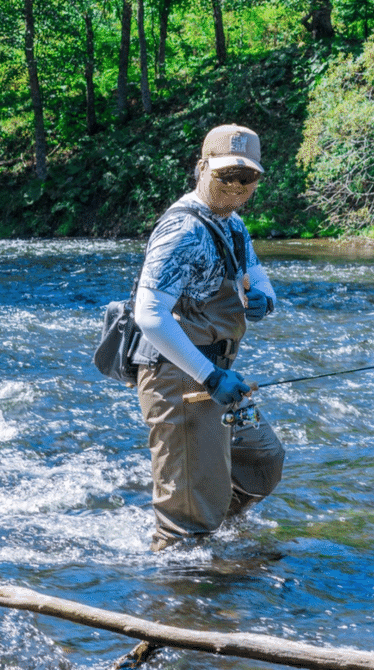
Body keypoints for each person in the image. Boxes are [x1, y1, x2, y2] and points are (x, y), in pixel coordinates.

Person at [130, 124, 285, 552]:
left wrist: (264, 301)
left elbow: (257, 277)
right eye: (225, 176)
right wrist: (211, 377)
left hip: (217, 373)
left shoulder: (231, 225)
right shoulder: (181, 231)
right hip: (179, 377)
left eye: (247, 178)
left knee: (262, 462)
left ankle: (211, 527)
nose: (236, 187)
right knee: (187, 519)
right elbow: (150, 314)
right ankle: (181, 569)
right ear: (201, 168)